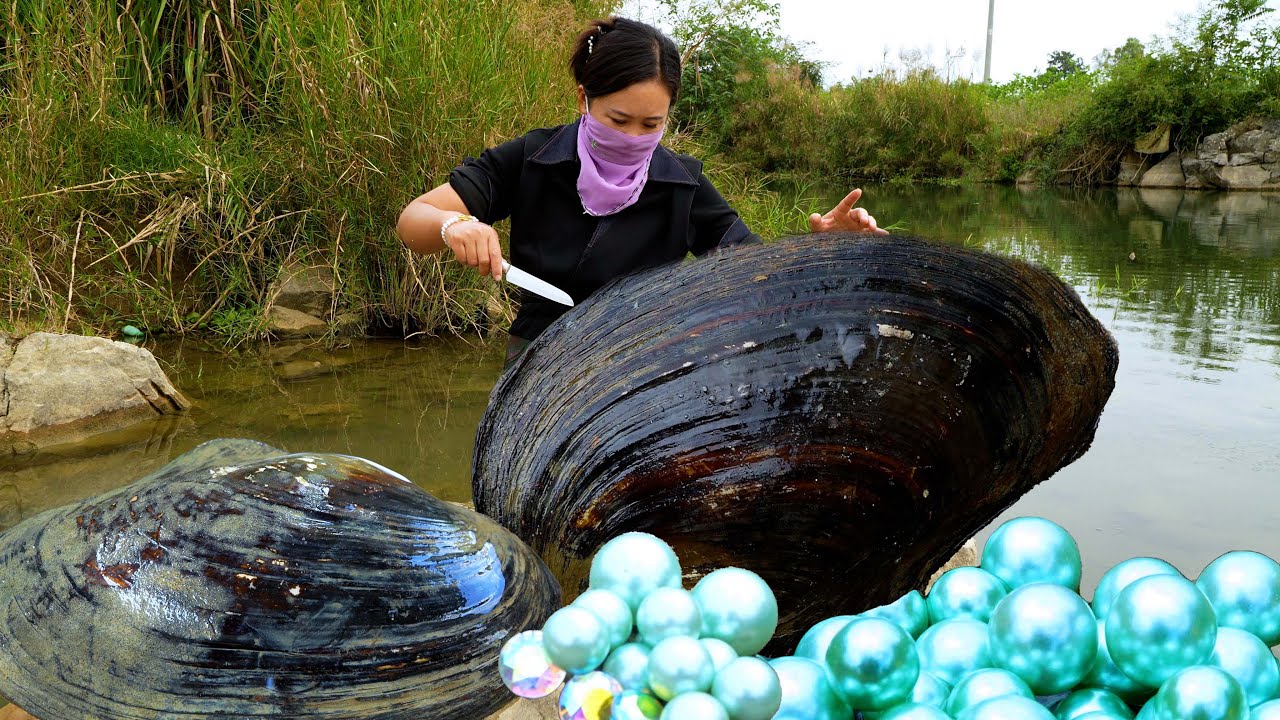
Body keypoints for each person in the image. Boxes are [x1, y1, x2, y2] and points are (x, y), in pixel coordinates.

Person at [396, 16, 886, 363]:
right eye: (618, 120)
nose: (633, 138)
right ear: (584, 99)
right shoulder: (531, 159)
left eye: (651, 123)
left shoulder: (683, 182)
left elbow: (752, 274)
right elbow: (413, 220)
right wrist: (453, 224)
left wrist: (821, 251)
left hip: (644, 364)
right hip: (540, 356)